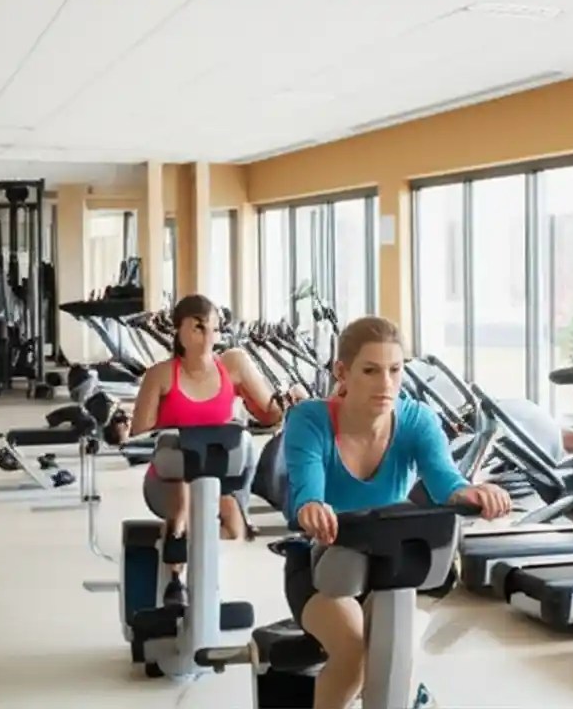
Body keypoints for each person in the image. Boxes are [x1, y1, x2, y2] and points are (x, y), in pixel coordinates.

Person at [283, 315, 513, 709]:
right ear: (342, 371)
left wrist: (473, 492)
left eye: (395, 369)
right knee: (354, 650)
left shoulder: (417, 421)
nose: (386, 383)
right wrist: (311, 507)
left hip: (391, 567)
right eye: (371, 370)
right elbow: (307, 488)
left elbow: (445, 482)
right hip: (324, 568)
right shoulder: (309, 420)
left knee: (394, 660)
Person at [129, 293, 306, 604]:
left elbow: (270, 414)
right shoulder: (160, 375)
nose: (208, 335)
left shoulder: (234, 364)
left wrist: (290, 400)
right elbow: (140, 436)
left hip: (221, 474)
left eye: (213, 328)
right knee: (185, 502)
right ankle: (174, 574)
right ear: (178, 332)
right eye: (198, 327)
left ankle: (199, 574)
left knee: (234, 528)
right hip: (170, 477)